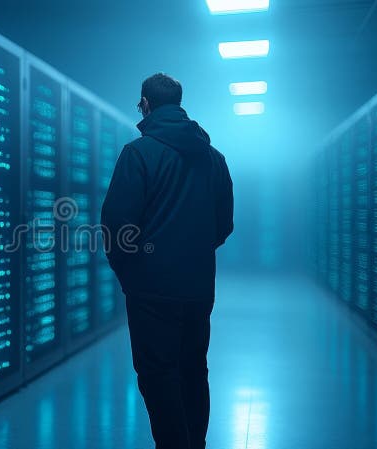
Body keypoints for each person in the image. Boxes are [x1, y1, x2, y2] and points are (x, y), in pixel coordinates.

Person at [100, 73, 234, 449]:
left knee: (158, 375)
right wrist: (194, 252)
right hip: (198, 286)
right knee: (194, 370)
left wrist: (130, 272)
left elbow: (116, 225)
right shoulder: (214, 159)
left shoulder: (138, 154)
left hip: (151, 290)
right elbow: (224, 224)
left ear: (145, 104)